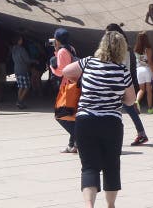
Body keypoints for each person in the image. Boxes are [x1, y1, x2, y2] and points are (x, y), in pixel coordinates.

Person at [62, 31, 135, 208]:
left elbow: (65, 71)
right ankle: (110, 206)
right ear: (121, 50)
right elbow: (131, 99)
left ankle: (89, 206)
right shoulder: (122, 71)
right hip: (111, 123)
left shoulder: (88, 62)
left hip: (85, 121)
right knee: (111, 165)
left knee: (89, 167)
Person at [106, 24, 148, 146]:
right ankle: (141, 133)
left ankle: (113, 138)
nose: (106, 36)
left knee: (113, 110)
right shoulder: (124, 48)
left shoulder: (120, 50)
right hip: (123, 82)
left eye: (108, 34)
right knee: (129, 110)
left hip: (119, 82)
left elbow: (120, 66)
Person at [50, 28, 78, 152]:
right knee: (71, 115)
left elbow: (61, 72)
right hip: (74, 84)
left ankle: (78, 139)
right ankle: (72, 145)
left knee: (60, 115)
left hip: (67, 86)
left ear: (57, 39)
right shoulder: (70, 48)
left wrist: (51, 67)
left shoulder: (62, 51)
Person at [133, 32, 153, 114]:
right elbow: (150, 62)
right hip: (147, 70)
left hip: (139, 70)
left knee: (141, 89)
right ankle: (150, 108)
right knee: (149, 90)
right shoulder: (148, 49)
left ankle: (136, 101)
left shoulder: (136, 49)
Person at [10, 35, 33, 109]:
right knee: (27, 86)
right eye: (21, 40)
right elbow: (27, 60)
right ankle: (20, 101)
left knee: (20, 86)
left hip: (16, 69)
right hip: (23, 69)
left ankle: (19, 101)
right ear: (19, 41)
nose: (22, 41)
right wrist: (35, 61)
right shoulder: (22, 49)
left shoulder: (13, 49)